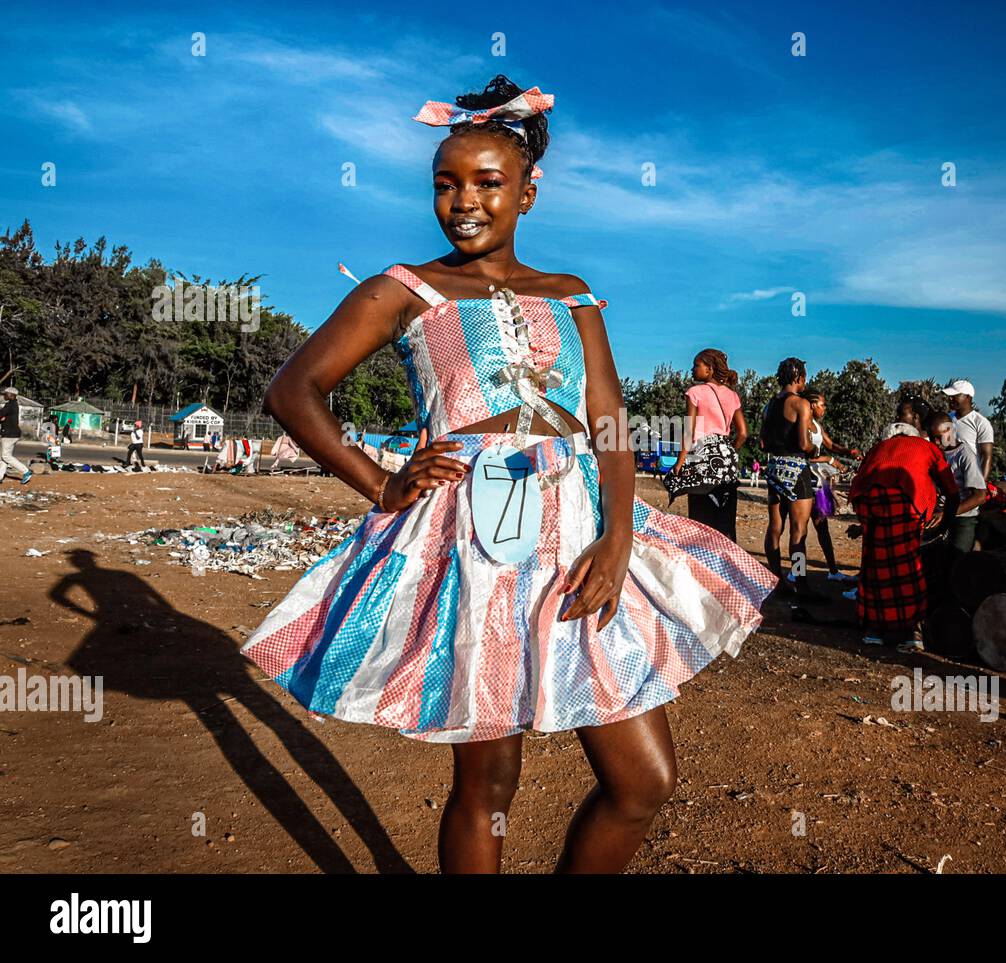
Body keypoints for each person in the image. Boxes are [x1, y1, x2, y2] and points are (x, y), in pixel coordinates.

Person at [239, 76, 777, 875]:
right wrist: (381, 482)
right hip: (475, 540)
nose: (464, 201)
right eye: (446, 184)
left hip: (582, 536)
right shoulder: (404, 290)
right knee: (490, 780)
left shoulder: (572, 297)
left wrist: (620, 538)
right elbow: (294, 389)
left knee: (644, 779)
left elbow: (609, 424)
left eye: (488, 183)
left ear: (528, 191)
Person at [847, 428, 959, 650]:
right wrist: (944, 526)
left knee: (874, 562)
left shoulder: (880, 447)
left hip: (867, 499)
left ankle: (874, 629)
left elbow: (865, 476)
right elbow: (952, 492)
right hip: (904, 501)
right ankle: (912, 630)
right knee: (907, 564)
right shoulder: (929, 448)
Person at [759, 357, 818, 598]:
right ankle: (802, 585)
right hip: (796, 470)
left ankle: (777, 581)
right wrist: (814, 450)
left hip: (774, 468)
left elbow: (763, 443)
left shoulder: (769, 405)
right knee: (798, 533)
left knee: (774, 528)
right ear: (799, 378)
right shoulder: (801, 404)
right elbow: (804, 443)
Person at [672, 348, 746, 539]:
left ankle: (703, 563)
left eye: (697, 365)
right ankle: (727, 564)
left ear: (710, 369)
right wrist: (728, 452)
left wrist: (679, 463)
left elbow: (689, 430)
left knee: (701, 519)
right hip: (727, 458)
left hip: (702, 457)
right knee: (726, 519)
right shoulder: (733, 396)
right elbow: (743, 433)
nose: (692, 369)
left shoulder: (695, 392)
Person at [799, 388, 861, 584]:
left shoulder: (816, 425)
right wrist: (831, 460)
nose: (825, 408)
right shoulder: (802, 425)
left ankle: (832, 570)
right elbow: (807, 452)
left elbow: (830, 444)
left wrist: (848, 451)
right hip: (804, 478)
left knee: (821, 526)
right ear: (811, 405)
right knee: (799, 530)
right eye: (822, 404)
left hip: (819, 480)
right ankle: (797, 571)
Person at [926, 411, 986, 554]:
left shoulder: (965, 455)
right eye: (932, 438)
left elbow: (980, 496)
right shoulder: (935, 453)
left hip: (963, 518)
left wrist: (947, 513)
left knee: (958, 558)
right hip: (941, 516)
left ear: (951, 430)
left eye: (939, 438)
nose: (936, 442)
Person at [943, 379, 994, 482]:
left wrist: (980, 485)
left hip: (970, 478)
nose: (950, 399)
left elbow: (986, 455)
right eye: (950, 396)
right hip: (950, 479)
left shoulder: (980, 422)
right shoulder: (947, 419)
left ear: (968, 397)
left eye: (955, 395)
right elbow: (947, 449)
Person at [0, 386, 32, 485]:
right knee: (4, 456)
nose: (4, 395)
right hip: (11, 433)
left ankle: (26, 471)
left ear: (11, 395)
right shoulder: (13, 404)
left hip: (9, 433)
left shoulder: (10, 405)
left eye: (5, 394)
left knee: (5, 456)